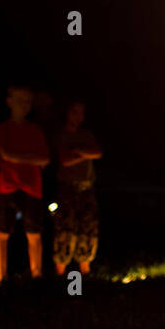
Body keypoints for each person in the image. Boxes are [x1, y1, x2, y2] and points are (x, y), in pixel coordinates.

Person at [0, 84, 51, 282]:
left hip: (32, 188)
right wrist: (30, 158)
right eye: (20, 100)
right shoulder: (2, 129)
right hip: (6, 186)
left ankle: (37, 274)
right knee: (2, 232)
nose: (24, 105)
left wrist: (17, 157)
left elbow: (45, 159)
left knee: (34, 232)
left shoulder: (35, 130)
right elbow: (5, 154)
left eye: (27, 101)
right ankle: (1, 278)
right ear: (9, 102)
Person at [52, 100, 103, 276]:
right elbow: (65, 160)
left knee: (87, 229)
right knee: (66, 230)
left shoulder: (86, 135)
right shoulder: (61, 135)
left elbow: (97, 152)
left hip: (87, 188)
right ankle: (60, 273)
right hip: (67, 188)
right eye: (74, 111)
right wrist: (84, 153)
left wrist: (78, 152)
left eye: (81, 113)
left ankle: (84, 273)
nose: (78, 116)